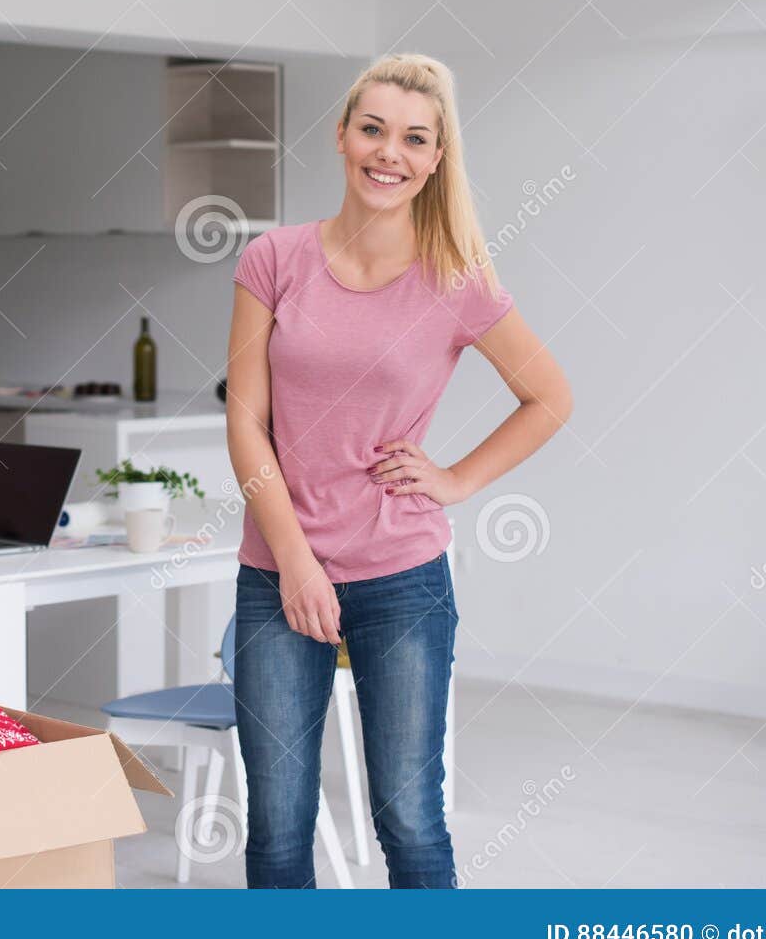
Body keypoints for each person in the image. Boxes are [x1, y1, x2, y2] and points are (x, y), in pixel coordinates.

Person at [225, 52, 574, 888]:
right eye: (374, 130)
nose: (391, 152)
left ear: (437, 157)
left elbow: (549, 398)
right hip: (276, 574)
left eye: (415, 139)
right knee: (276, 826)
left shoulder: (456, 280)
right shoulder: (274, 260)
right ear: (342, 136)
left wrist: (455, 481)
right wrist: (295, 562)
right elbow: (245, 420)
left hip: (403, 579)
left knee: (410, 820)